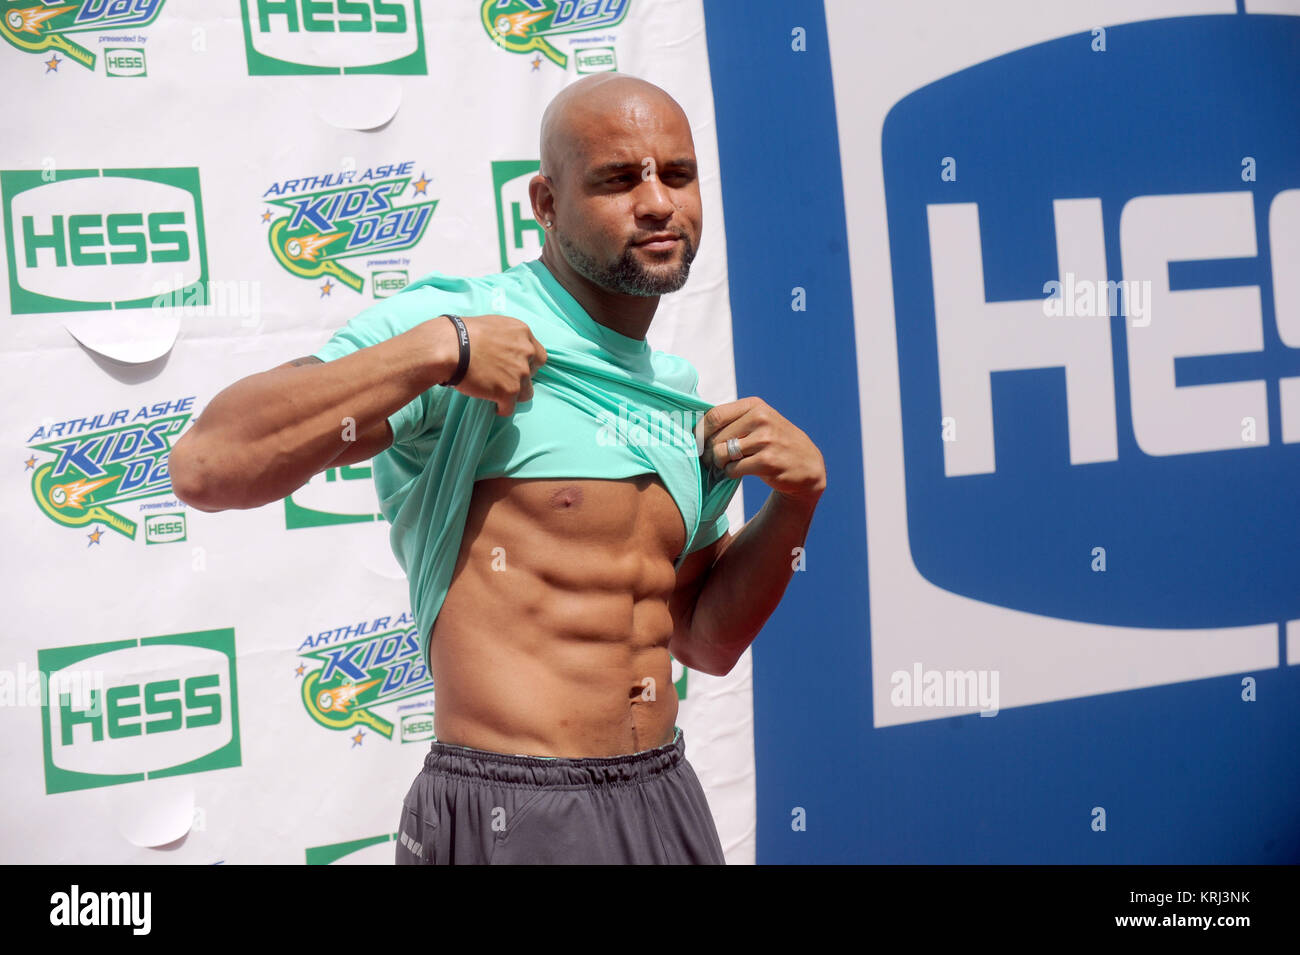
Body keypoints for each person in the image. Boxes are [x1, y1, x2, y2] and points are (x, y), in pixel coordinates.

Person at [170, 74, 826, 864]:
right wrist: (440, 348)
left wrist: (793, 505)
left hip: (664, 793)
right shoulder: (465, 326)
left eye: (676, 175)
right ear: (544, 204)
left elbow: (702, 640)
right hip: (514, 808)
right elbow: (206, 465)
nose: (657, 203)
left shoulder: (674, 394)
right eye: (619, 179)